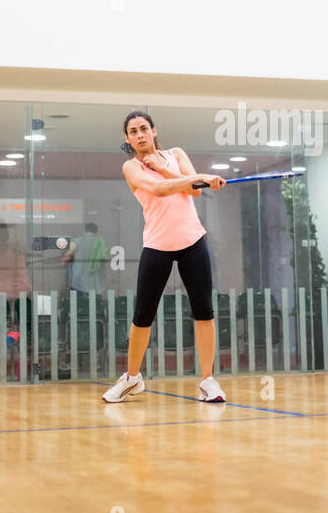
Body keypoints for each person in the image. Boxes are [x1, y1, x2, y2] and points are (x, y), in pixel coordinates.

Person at [102, 110, 228, 403]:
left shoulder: (176, 153)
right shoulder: (130, 167)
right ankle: (133, 378)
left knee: (204, 311)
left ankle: (208, 381)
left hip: (192, 241)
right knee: (142, 317)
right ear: (127, 139)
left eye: (143, 128)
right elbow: (160, 190)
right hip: (157, 245)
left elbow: (194, 192)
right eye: (133, 131)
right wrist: (199, 177)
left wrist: (179, 172)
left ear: (154, 131)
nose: (139, 134)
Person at [62, 222, 109, 292]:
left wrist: (65, 267)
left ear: (84, 230)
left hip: (78, 282)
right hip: (96, 282)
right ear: (96, 232)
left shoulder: (76, 241)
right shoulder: (101, 243)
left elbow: (66, 258)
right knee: (94, 301)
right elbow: (105, 261)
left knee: (77, 301)